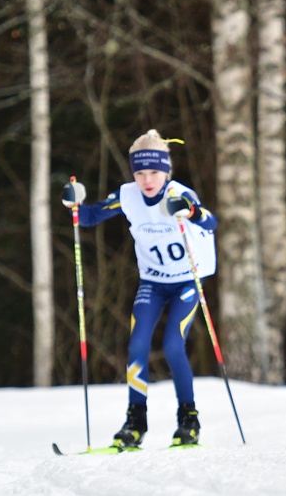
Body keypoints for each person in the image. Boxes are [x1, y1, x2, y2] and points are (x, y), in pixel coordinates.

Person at [60, 129, 217, 449]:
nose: (147, 180)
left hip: (187, 281)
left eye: (155, 172)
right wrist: (73, 201)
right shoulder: (128, 194)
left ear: (167, 172)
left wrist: (191, 212)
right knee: (137, 346)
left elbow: (210, 222)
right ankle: (136, 421)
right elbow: (88, 217)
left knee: (174, 345)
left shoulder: (179, 194)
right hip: (153, 283)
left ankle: (188, 419)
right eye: (140, 172)